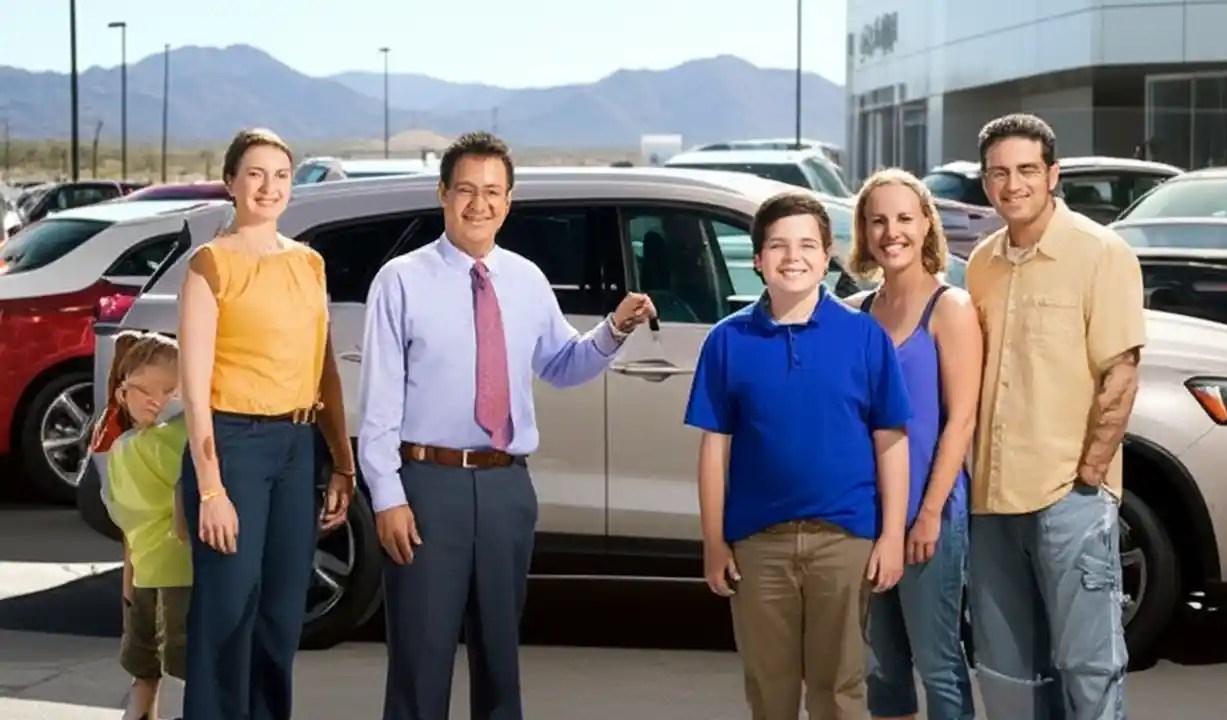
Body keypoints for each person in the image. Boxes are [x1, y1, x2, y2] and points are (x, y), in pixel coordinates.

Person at [357, 130, 657, 720]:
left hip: (505, 489)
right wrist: (387, 496)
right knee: (421, 660)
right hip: (427, 487)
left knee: (500, 660)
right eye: (466, 190)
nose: (479, 204)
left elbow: (563, 365)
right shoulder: (401, 280)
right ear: (442, 194)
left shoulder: (525, 278)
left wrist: (613, 331)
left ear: (509, 201)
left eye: (493, 192)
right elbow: (379, 405)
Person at [685, 190, 913, 720]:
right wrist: (715, 542)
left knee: (840, 687)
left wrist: (893, 534)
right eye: (779, 246)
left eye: (808, 245)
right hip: (758, 544)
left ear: (827, 254)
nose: (794, 257)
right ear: (758, 259)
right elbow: (714, 448)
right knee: (770, 689)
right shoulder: (728, 340)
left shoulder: (863, 336)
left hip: (845, 539)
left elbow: (891, 440)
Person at [964, 113, 1146, 719]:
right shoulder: (982, 263)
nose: (1012, 185)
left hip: (1068, 495)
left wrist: (1089, 481)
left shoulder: (1102, 254)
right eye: (998, 173)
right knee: (1008, 671)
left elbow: (1120, 374)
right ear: (985, 183)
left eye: (1025, 171)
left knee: (1087, 666)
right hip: (991, 502)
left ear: (1053, 175)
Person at [176, 127, 357, 720]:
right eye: (254, 174)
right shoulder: (211, 265)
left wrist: (342, 464)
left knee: (281, 615)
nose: (268, 186)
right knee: (227, 612)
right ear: (230, 183)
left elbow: (323, 368)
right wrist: (210, 488)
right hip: (232, 445)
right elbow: (194, 388)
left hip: (297, 446)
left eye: (280, 175)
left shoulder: (308, 263)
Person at [845, 168, 982, 720]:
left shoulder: (950, 308)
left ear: (927, 223)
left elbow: (962, 420)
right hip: (868, 516)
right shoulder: (855, 313)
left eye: (904, 218)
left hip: (932, 514)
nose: (891, 231)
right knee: (882, 666)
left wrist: (927, 515)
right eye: (878, 220)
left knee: (938, 661)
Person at [91, 330, 190, 720]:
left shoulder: (168, 440)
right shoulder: (124, 449)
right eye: (145, 390)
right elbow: (131, 532)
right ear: (122, 394)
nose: (158, 400)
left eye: (170, 389)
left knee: (164, 667)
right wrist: (129, 587)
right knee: (152, 666)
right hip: (153, 577)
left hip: (179, 576)